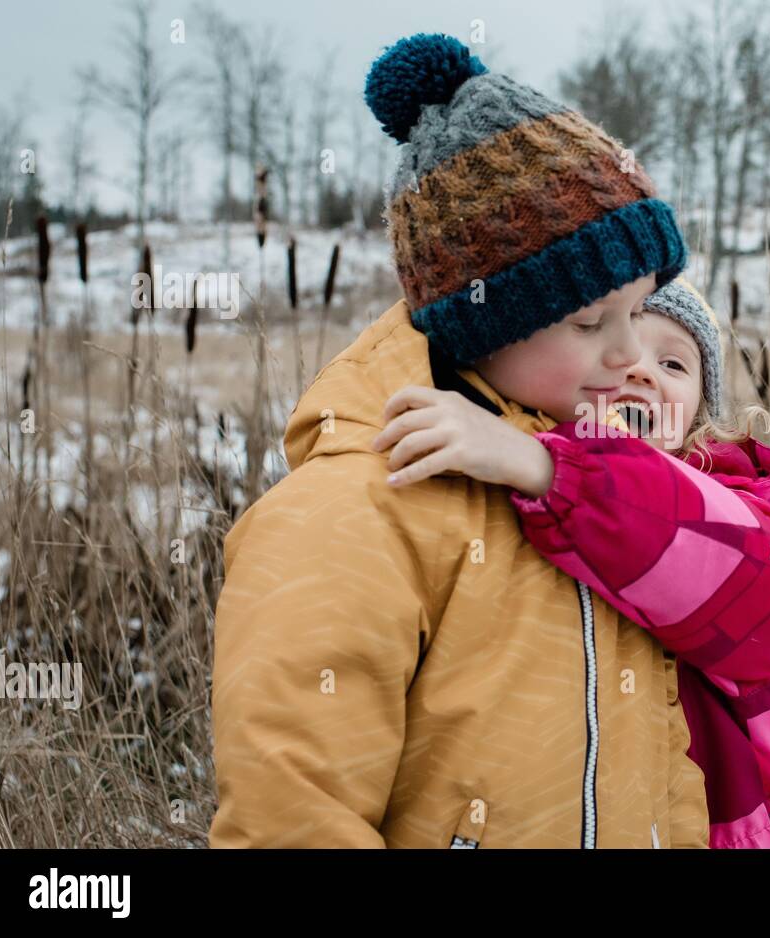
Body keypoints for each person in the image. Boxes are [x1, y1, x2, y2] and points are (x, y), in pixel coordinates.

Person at [208, 32, 706, 848]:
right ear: (486, 324)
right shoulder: (360, 506)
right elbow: (290, 810)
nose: (628, 356)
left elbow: (664, 755)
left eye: (640, 311)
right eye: (590, 322)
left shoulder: (608, 490)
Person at [373, 277, 770, 848]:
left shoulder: (738, 506)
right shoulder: (520, 495)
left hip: (748, 822)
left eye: (674, 365)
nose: (640, 370)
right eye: (611, 348)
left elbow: (730, 578)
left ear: (703, 416)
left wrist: (549, 468)